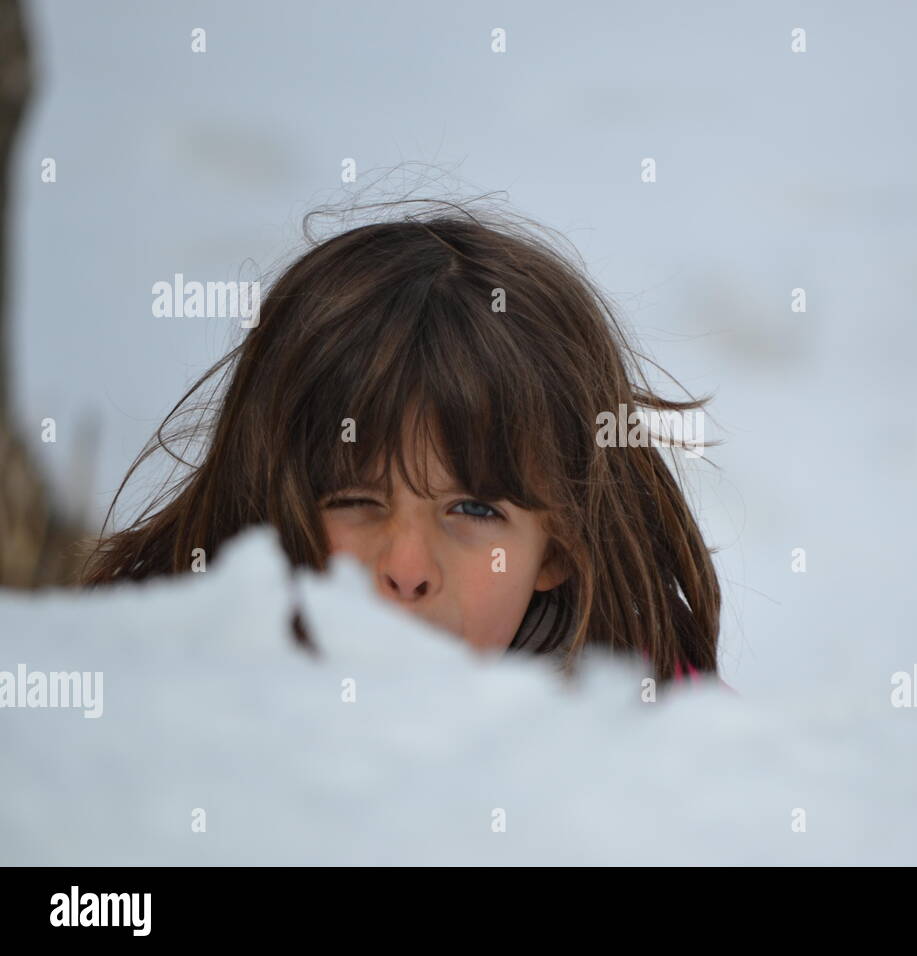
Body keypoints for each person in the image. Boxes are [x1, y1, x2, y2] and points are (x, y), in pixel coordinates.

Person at [82, 203, 724, 689]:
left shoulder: (657, 776)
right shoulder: (140, 705)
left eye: (474, 510)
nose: (408, 569)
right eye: (356, 498)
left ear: (557, 546)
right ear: (263, 497)